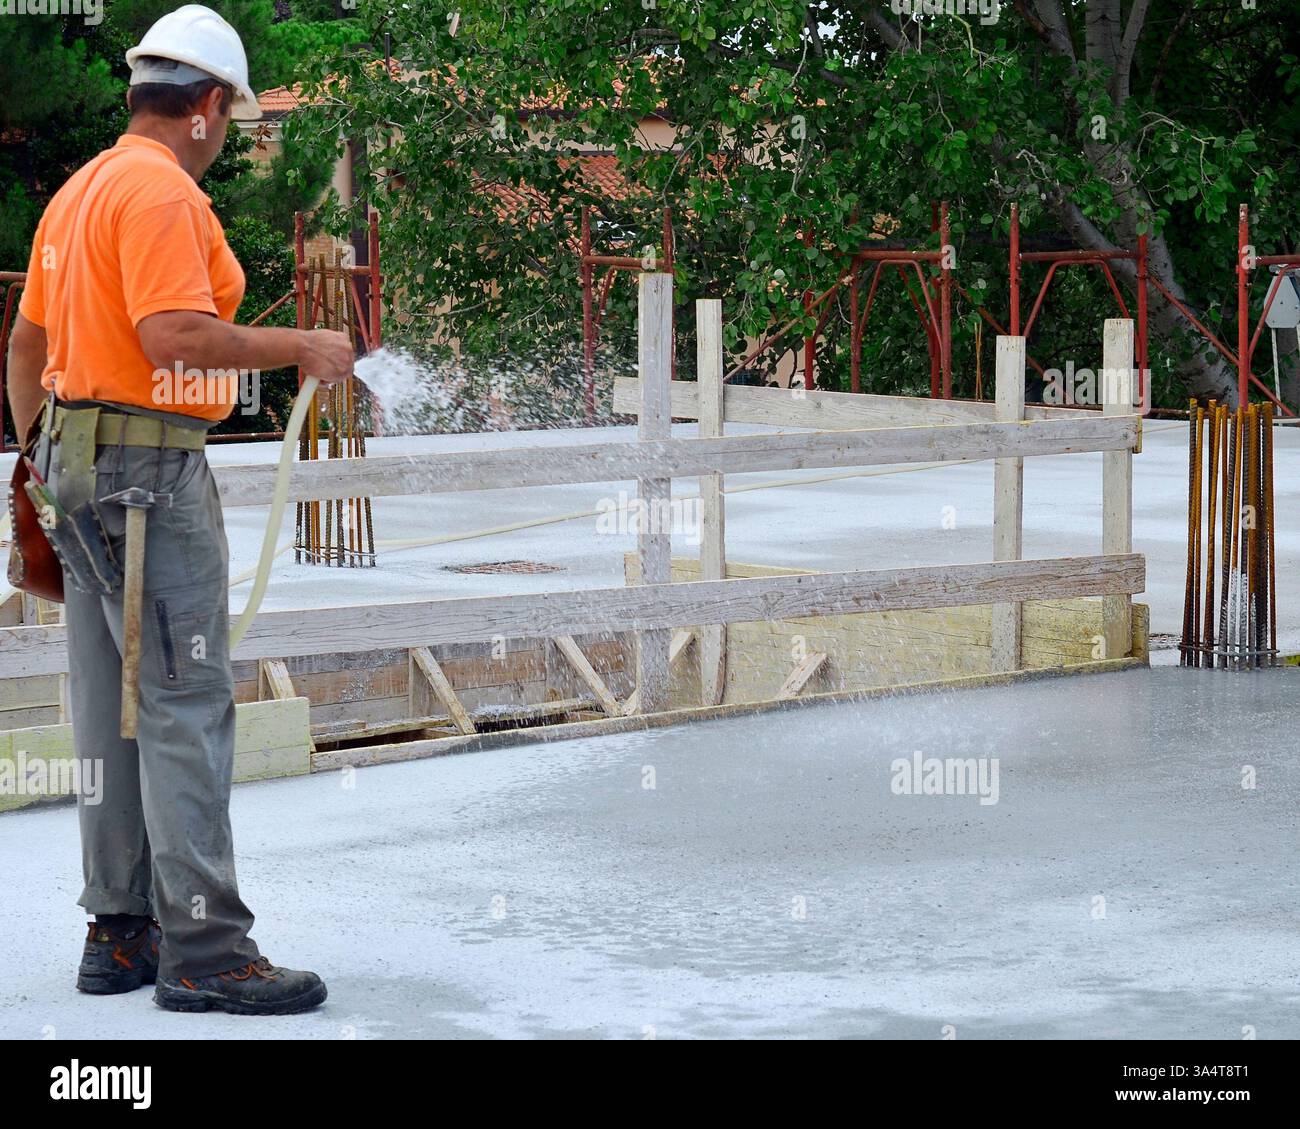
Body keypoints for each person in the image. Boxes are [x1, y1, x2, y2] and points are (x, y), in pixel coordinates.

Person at [5, 5, 353, 1015]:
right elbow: (174, 336)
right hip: (147, 479)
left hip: (75, 470)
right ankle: (205, 947)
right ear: (205, 107)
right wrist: (302, 348)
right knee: (185, 704)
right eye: (228, 120)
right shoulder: (158, 193)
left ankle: (121, 933)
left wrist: (37, 459)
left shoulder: (78, 192)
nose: (223, 139)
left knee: (115, 712)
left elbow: (25, 350)